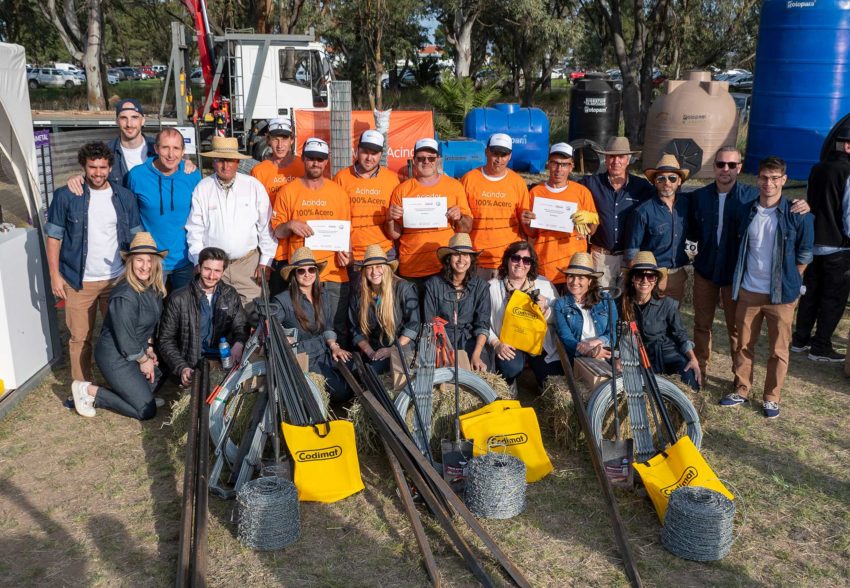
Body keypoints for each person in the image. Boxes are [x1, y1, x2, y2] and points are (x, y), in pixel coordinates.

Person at [722, 157, 814, 419]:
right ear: (757, 179)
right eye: (764, 177)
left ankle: (772, 396)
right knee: (743, 344)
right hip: (749, 290)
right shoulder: (745, 211)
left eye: (775, 178)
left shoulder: (798, 215)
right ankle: (741, 389)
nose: (769, 183)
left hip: (782, 294)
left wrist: (791, 281)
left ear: (784, 180)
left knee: (778, 349)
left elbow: (805, 254)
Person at [46, 141, 142, 383]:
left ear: (110, 168)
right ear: (83, 167)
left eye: (102, 167)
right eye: (92, 167)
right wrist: (54, 275)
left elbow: (136, 237)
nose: (97, 173)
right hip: (79, 281)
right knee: (80, 338)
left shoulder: (125, 197)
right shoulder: (66, 196)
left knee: (121, 334)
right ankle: (81, 389)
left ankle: (124, 384)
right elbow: (54, 238)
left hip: (116, 279)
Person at [70, 233, 167, 420]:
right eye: (139, 260)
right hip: (115, 356)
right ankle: (88, 391)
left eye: (149, 260)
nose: (145, 266)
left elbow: (147, 326)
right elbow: (125, 337)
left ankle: (137, 395)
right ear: (130, 262)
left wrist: (149, 348)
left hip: (136, 350)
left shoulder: (152, 288)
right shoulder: (124, 295)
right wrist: (144, 360)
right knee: (146, 410)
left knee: (161, 375)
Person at [272, 137, 352, 344]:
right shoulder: (288, 191)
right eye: (310, 158)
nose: (315, 163)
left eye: (320, 159)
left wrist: (347, 255)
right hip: (302, 273)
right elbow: (277, 232)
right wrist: (290, 225)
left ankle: (338, 370)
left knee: (336, 327)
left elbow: (345, 231)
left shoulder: (339, 193)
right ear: (303, 159)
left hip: (333, 272)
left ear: (327, 161)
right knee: (303, 328)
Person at [185, 136, 277, 306]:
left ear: (237, 162)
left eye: (229, 161)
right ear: (213, 162)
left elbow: (266, 227)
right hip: (214, 267)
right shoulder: (203, 188)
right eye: (220, 160)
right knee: (216, 314)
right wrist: (199, 260)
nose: (225, 166)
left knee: (254, 312)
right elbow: (195, 229)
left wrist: (265, 261)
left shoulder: (253, 186)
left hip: (248, 265)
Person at [792, 131, 850, 362]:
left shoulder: (817, 168)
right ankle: (821, 346)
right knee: (833, 298)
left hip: (813, 243)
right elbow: (849, 214)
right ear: (847, 147)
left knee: (810, 295)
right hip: (838, 247)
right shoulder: (848, 171)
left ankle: (800, 339)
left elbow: (808, 203)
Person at [387, 138, 472, 293]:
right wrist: (391, 218)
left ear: (438, 160)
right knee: (413, 315)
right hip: (412, 267)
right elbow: (394, 234)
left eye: (431, 158)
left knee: (440, 317)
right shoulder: (402, 190)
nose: (426, 162)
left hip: (444, 265)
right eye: (421, 158)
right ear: (414, 160)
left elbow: (467, 228)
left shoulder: (454, 186)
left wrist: (459, 217)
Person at [158, 247, 249, 387]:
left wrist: (239, 343)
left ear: (223, 271)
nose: (211, 276)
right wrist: (181, 367)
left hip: (223, 362)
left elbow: (241, 325)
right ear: (199, 267)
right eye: (207, 269)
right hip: (192, 365)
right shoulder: (179, 298)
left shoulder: (230, 294)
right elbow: (165, 340)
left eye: (217, 271)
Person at [126, 128, 202, 292]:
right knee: (151, 313)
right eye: (165, 147)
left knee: (184, 313)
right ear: (156, 149)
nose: (170, 154)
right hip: (151, 261)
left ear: (183, 151)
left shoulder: (193, 176)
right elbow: (127, 214)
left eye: (176, 148)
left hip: (186, 260)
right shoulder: (137, 176)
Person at [273, 247, 353, 402]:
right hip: (304, 355)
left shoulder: (323, 295)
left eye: (311, 269)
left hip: (325, 350)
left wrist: (334, 346)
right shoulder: (282, 300)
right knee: (342, 393)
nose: (307, 274)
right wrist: (283, 335)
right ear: (294, 275)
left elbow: (328, 327)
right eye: (301, 271)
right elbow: (272, 326)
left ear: (316, 272)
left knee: (356, 369)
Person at [66, 99, 196, 192]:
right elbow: (96, 175)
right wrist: (77, 179)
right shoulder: (107, 152)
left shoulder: (157, 147)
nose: (129, 124)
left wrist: (184, 163)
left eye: (134, 117)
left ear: (143, 120)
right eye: (124, 118)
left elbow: (173, 160)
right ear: (117, 121)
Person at [619, 252, 701, 390]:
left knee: (691, 386)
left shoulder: (668, 304)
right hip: (638, 358)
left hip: (668, 354)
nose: (645, 280)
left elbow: (680, 334)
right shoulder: (621, 304)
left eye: (650, 276)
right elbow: (615, 336)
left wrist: (693, 359)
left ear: (655, 280)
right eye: (640, 275)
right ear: (632, 279)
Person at [580, 136, 654, 287]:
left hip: (629, 259)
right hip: (600, 257)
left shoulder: (642, 187)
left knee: (626, 305)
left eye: (621, 157)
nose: (616, 161)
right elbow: (567, 191)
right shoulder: (591, 183)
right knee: (600, 303)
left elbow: (662, 202)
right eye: (611, 157)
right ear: (605, 159)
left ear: (628, 159)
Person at [524, 143, 598, 289]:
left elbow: (591, 231)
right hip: (544, 266)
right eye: (555, 163)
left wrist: (590, 220)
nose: (559, 169)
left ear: (571, 167)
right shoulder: (535, 192)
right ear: (548, 164)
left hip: (574, 268)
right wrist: (527, 222)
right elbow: (531, 233)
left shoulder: (582, 192)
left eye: (564, 165)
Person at [488, 241, 562, 385]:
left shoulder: (544, 284)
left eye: (527, 260)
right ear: (507, 260)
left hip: (538, 343)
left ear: (531, 264)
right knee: (511, 368)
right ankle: (509, 383)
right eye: (516, 258)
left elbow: (559, 317)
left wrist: (546, 311)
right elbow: (483, 322)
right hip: (508, 342)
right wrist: (496, 343)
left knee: (550, 376)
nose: (520, 264)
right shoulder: (492, 287)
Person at [461, 133, 531, 279]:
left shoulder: (518, 182)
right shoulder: (469, 179)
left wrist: (528, 221)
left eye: (504, 155)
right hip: (476, 260)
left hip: (509, 262)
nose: (499, 159)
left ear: (510, 156)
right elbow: (462, 221)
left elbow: (526, 225)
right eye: (495, 153)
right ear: (486, 152)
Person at [626, 153, 690, 302]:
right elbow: (632, 251)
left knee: (673, 318)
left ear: (679, 181)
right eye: (661, 178)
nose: (667, 182)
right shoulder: (643, 211)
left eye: (672, 178)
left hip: (678, 274)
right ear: (655, 182)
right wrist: (638, 280)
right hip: (652, 276)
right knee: (649, 320)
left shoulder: (686, 205)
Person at [250, 117, 304, 294]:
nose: (280, 144)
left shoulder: (303, 167)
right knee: (276, 303)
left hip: (301, 249)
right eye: (275, 139)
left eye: (285, 138)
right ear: (268, 140)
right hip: (273, 251)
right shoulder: (259, 171)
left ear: (292, 140)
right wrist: (264, 259)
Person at [334, 130, 400, 274]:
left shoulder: (392, 179)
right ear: (357, 151)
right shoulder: (341, 178)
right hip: (352, 255)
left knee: (386, 296)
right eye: (365, 152)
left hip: (383, 253)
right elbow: (336, 219)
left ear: (381, 155)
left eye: (374, 153)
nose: (369, 158)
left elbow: (396, 225)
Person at [423, 233, 491, 371]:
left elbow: (482, 324)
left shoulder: (481, 287)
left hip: (469, 338)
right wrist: (445, 352)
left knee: (481, 370)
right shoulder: (433, 285)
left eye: (466, 255)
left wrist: (476, 355)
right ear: (449, 258)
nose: (461, 259)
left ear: (471, 259)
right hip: (440, 340)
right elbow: (430, 323)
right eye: (456, 254)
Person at [348, 245, 420, 374]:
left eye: (378, 266)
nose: (374, 272)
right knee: (357, 372)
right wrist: (370, 353)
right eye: (369, 268)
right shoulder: (359, 295)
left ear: (387, 268)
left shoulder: (404, 288)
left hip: (402, 347)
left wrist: (391, 350)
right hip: (374, 349)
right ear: (364, 271)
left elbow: (413, 325)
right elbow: (355, 328)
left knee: (376, 374)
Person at [553, 252, 617, 362]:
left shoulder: (606, 299)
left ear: (590, 280)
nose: (574, 282)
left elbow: (613, 332)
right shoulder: (560, 304)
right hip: (579, 358)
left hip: (605, 352)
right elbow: (566, 338)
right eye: (571, 276)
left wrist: (594, 343)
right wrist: (591, 352)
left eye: (580, 278)